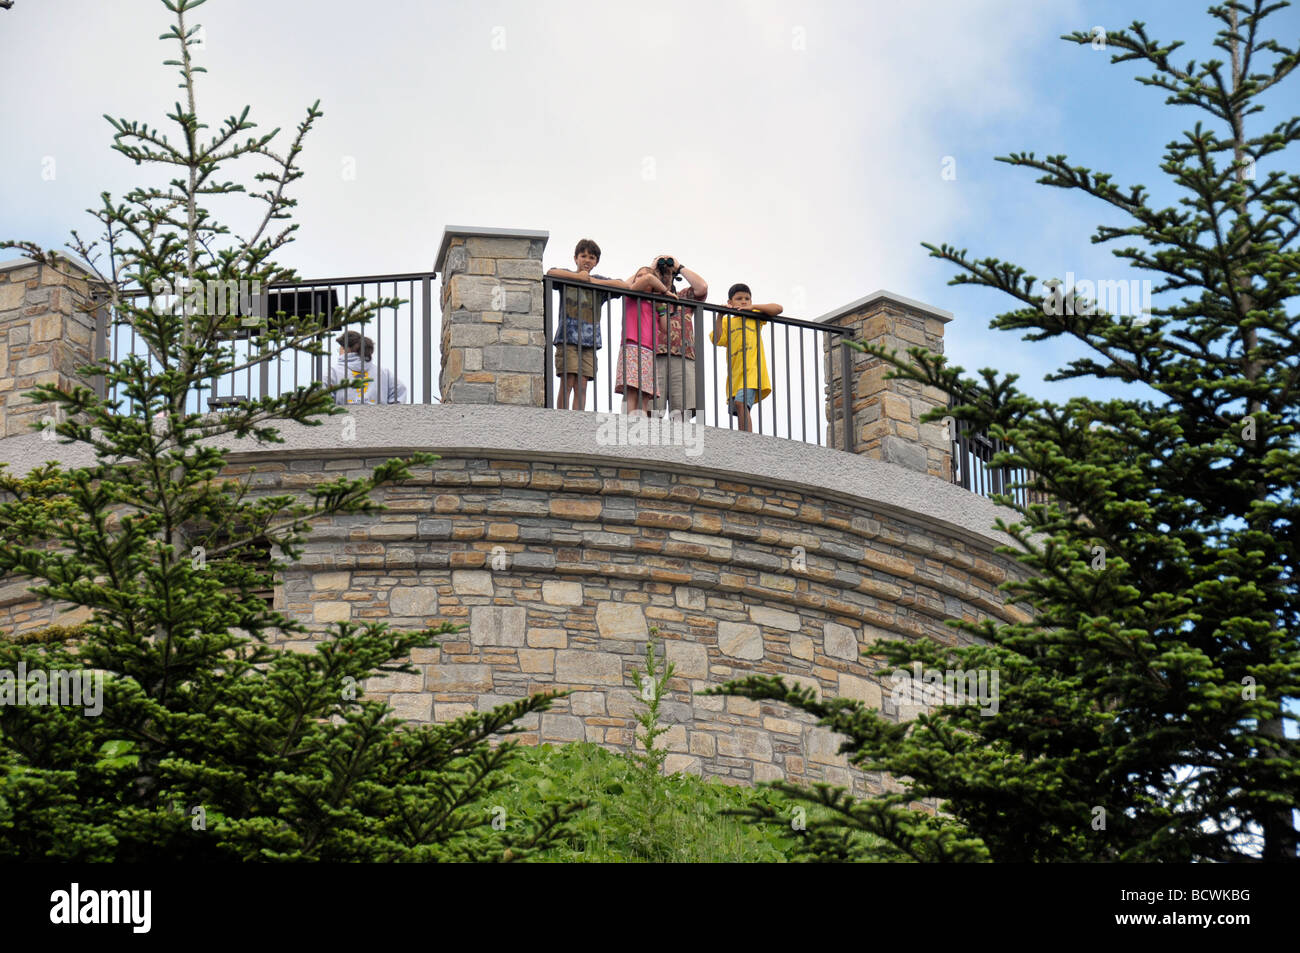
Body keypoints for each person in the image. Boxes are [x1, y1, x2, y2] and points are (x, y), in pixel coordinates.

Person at [546, 239, 627, 410]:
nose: (587, 260)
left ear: (596, 262)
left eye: (591, 257)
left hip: (590, 342)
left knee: (582, 385)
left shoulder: (598, 281)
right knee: (567, 381)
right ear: (575, 258)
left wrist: (592, 281)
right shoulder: (568, 277)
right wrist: (578, 277)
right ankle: (562, 418)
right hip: (567, 338)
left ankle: (577, 421)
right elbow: (551, 272)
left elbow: (622, 284)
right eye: (583, 256)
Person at [710, 283, 781, 432]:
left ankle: (748, 440)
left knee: (742, 403)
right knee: (739, 407)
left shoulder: (754, 316)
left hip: (752, 373)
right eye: (739, 298)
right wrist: (720, 315)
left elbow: (778, 308)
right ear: (730, 302)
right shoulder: (726, 322)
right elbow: (717, 339)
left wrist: (754, 307)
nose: (744, 301)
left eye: (747, 298)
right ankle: (743, 438)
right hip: (735, 377)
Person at [648, 254, 707, 421]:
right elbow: (628, 286)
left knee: (682, 413)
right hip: (654, 356)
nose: (665, 273)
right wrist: (651, 269)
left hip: (683, 356)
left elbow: (702, 287)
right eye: (661, 271)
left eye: (669, 271)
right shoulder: (647, 294)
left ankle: (679, 446)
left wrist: (679, 267)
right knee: (651, 412)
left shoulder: (684, 296)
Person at [614, 267, 668, 415]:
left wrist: (661, 309)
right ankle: (629, 423)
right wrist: (664, 289)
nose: (642, 278)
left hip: (649, 350)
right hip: (632, 346)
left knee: (645, 393)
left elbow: (666, 329)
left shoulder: (655, 302)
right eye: (639, 276)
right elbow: (629, 283)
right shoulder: (630, 295)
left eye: (646, 276)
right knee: (631, 390)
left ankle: (642, 426)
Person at [326, 331, 407, 404]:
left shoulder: (333, 372)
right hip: (378, 418)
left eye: (339, 349)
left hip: (344, 419)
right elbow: (399, 392)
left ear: (345, 349)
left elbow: (322, 397)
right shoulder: (384, 373)